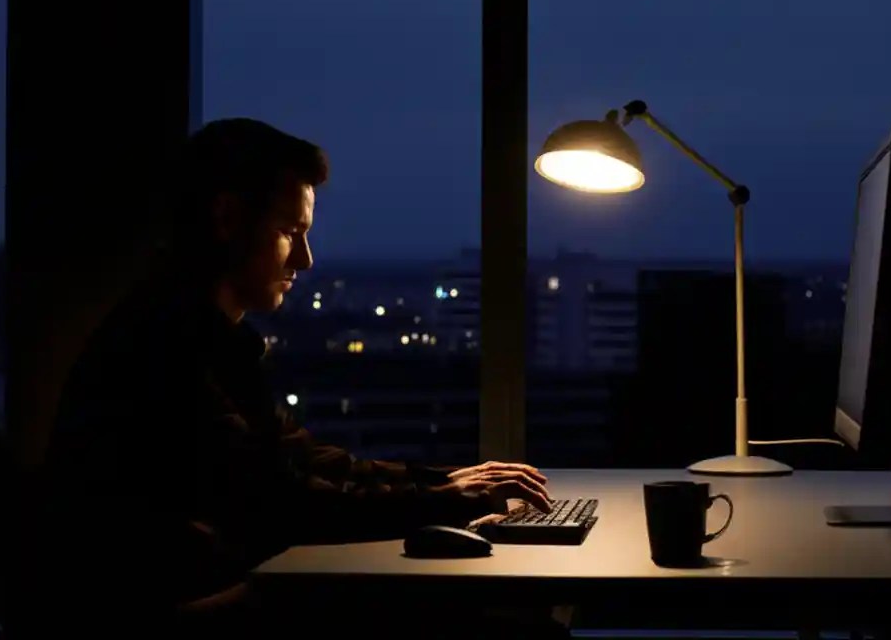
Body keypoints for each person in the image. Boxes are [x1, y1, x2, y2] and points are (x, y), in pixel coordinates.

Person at [37, 118, 559, 635]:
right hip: (170, 618)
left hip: (200, 590)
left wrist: (440, 481)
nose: (305, 260)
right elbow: (281, 503)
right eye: (291, 233)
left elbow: (298, 459)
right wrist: (450, 503)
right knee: (512, 627)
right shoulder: (166, 346)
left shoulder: (187, 329)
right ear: (226, 218)